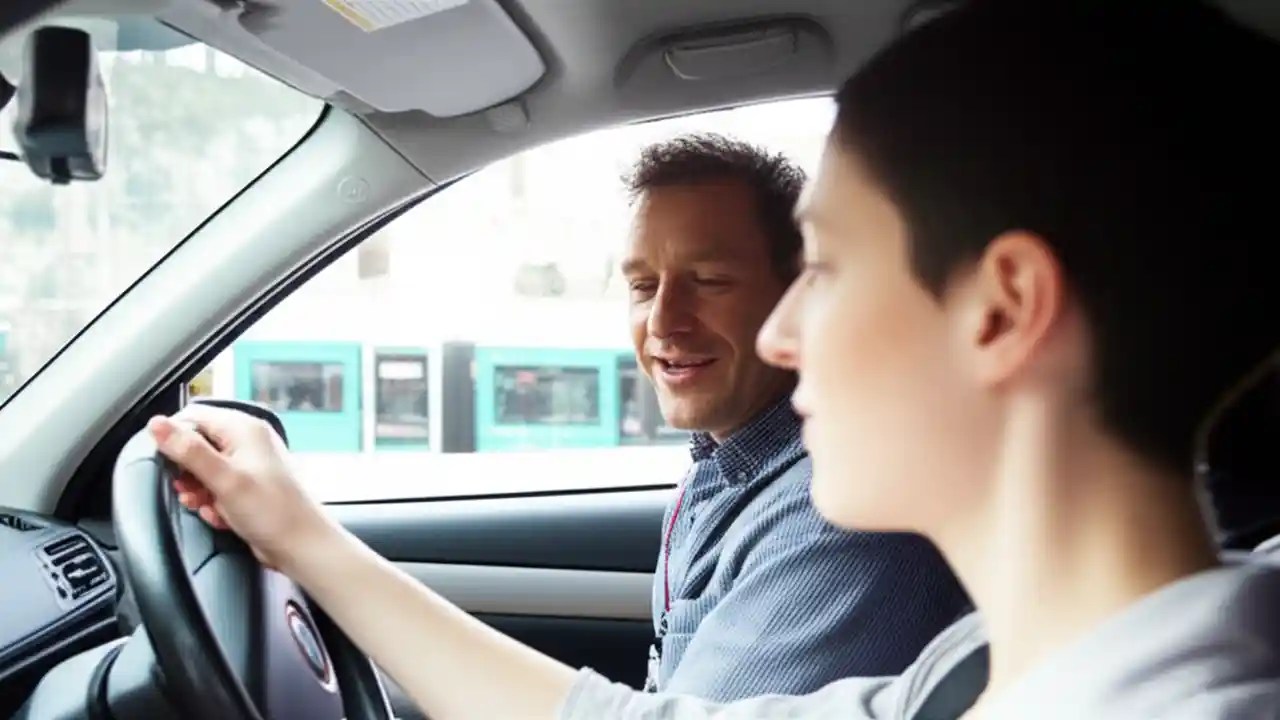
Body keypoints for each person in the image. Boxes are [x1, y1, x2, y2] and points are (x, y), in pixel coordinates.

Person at [149, 0, 1280, 717]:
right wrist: (297, 534)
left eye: (826, 271)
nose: (784, 336)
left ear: (1001, 310)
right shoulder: (993, 667)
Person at [618, 134, 968, 698]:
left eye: (709, 282)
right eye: (643, 286)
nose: (663, 321)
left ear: (793, 291)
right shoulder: (724, 469)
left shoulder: (834, 507)